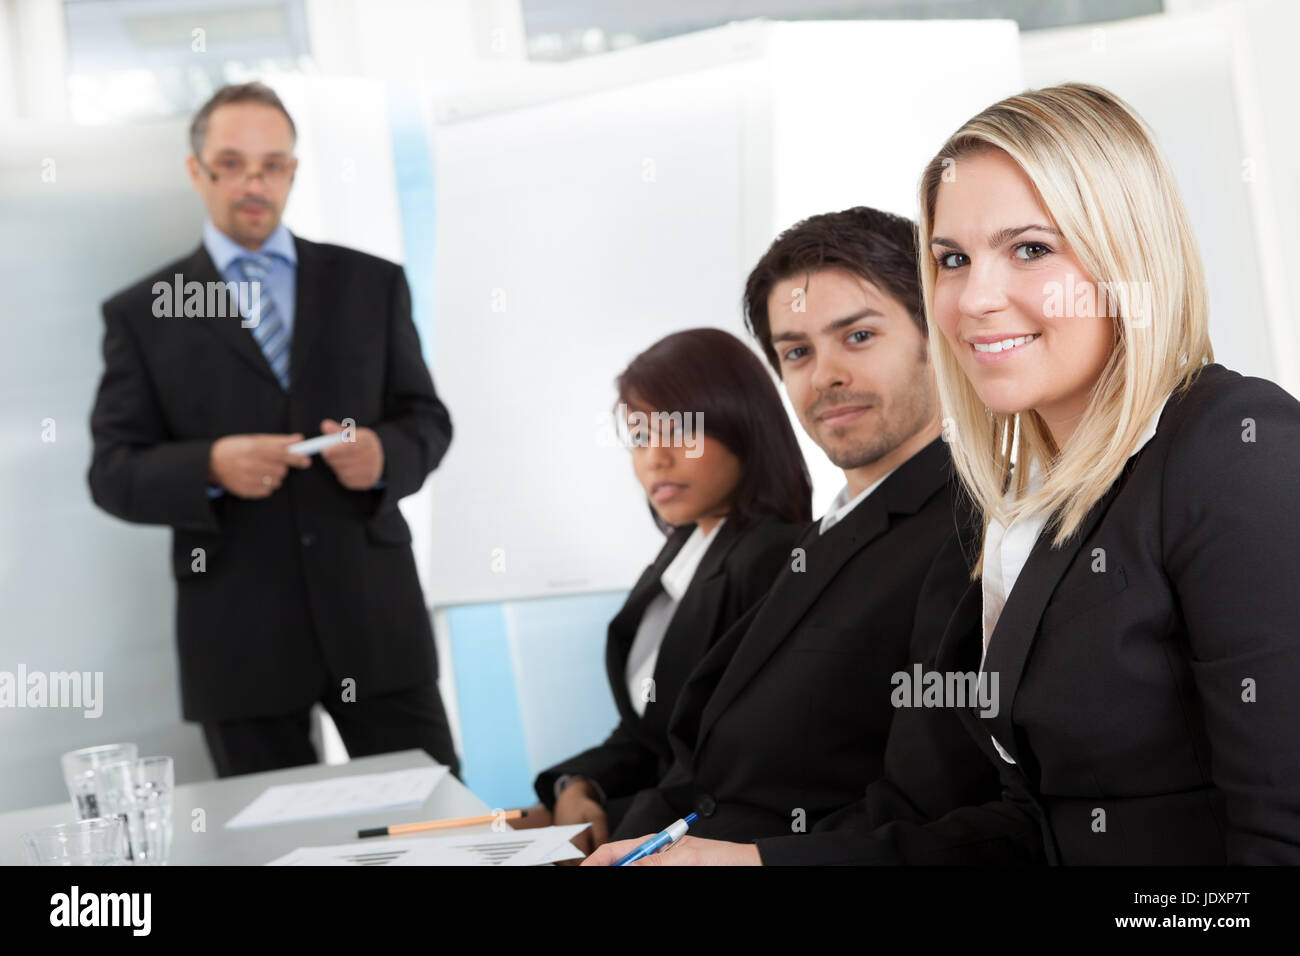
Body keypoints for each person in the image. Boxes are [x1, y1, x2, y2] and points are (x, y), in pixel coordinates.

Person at [588, 83, 1300, 866]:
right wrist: (753, 864)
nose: (975, 298)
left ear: (1128, 254)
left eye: (1030, 248)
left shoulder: (1234, 446)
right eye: (952, 260)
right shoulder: (1032, 506)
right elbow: (1027, 828)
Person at [588, 207, 998, 848]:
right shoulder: (828, 535)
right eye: (797, 352)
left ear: (934, 334)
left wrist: (746, 862)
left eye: (858, 337)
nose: (826, 375)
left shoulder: (969, 530)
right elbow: (711, 771)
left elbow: (927, 808)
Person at [88, 82, 460, 778]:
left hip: (375, 625)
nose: (253, 182)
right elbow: (112, 471)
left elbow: (427, 420)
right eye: (231, 163)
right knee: (272, 849)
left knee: (440, 836)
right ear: (196, 172)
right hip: (239, 643)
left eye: (272, 164)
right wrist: (208, 466)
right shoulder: (141, 313)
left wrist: (383, 454)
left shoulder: (370, 284)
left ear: (292, 171)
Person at [526, 329, 810, 855]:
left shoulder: (773, 556)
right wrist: (579, 784)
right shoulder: (682, 552)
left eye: (679, 432)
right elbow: (649, 732)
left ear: (741, 425)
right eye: (639, 437)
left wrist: (614, 829)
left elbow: (731, 762)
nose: (654, 459)